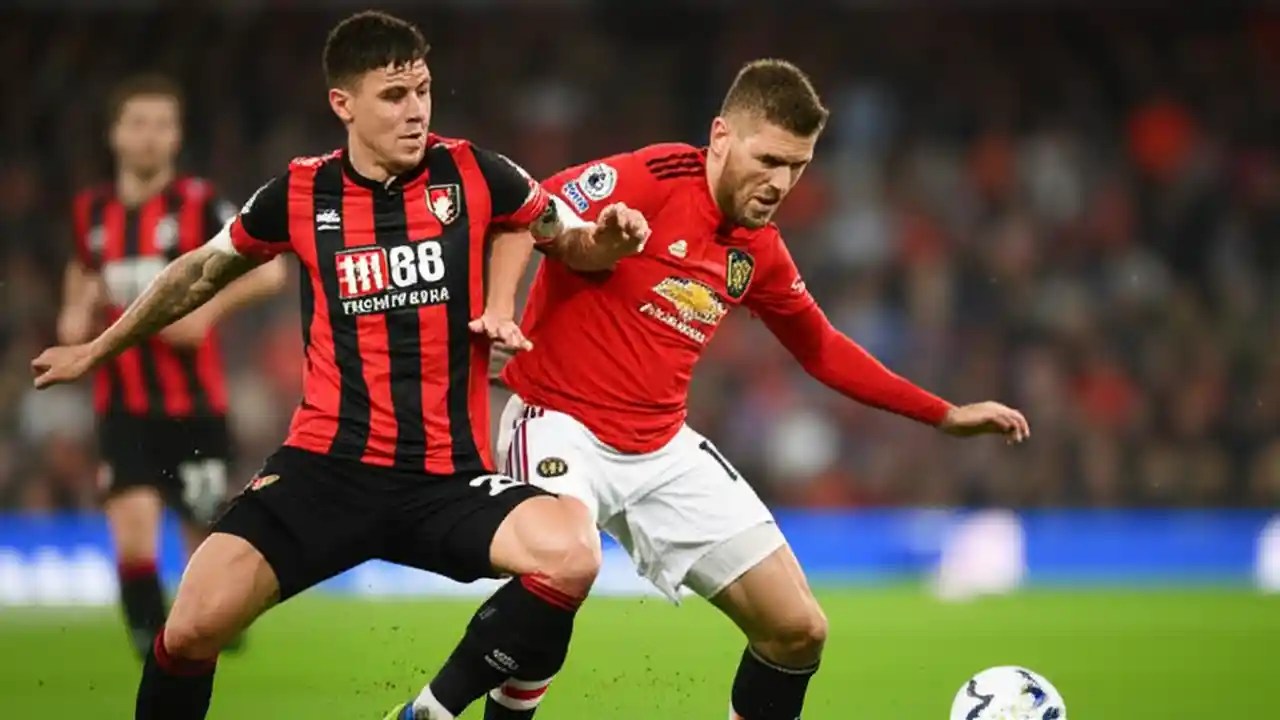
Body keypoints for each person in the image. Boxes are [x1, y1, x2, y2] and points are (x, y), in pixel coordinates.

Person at [32, 11, 649, 720]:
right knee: (192, 626)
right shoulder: (301, 192)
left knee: (573, 554)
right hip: (325, 471)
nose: (416, 110)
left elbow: (566, 238)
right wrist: (98, 348)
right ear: (343, 103)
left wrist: (608, 237)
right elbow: (199, 271)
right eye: (394, 95)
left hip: (445, 479)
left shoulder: (475, 172)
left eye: (423, 90)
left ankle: (430, 711)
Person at [488, 59, 1031, 720]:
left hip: (659, 446)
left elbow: (821, 347)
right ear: (721, 137)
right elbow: (523, 208)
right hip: (558, 421)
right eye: (769, 159)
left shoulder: (759, 251)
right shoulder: (651, 176)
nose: (781, 182)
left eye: (797, 166)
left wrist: (943, 415)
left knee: (798, 631)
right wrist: (494, 315)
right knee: (559, 577)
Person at [58, 73, 287, 660]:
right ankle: (152, 655)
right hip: (122, 406)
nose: (150, 136)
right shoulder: (92, 212)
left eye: (163, 124)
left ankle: (209, 626)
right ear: (115, 134)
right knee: (132, 536)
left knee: (205, 558)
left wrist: (207, 313)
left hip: (194, 406)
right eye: (138, 123)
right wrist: (74, 315)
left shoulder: (201, 205)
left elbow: (270, 269)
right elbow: (82, 273)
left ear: (177, 135)